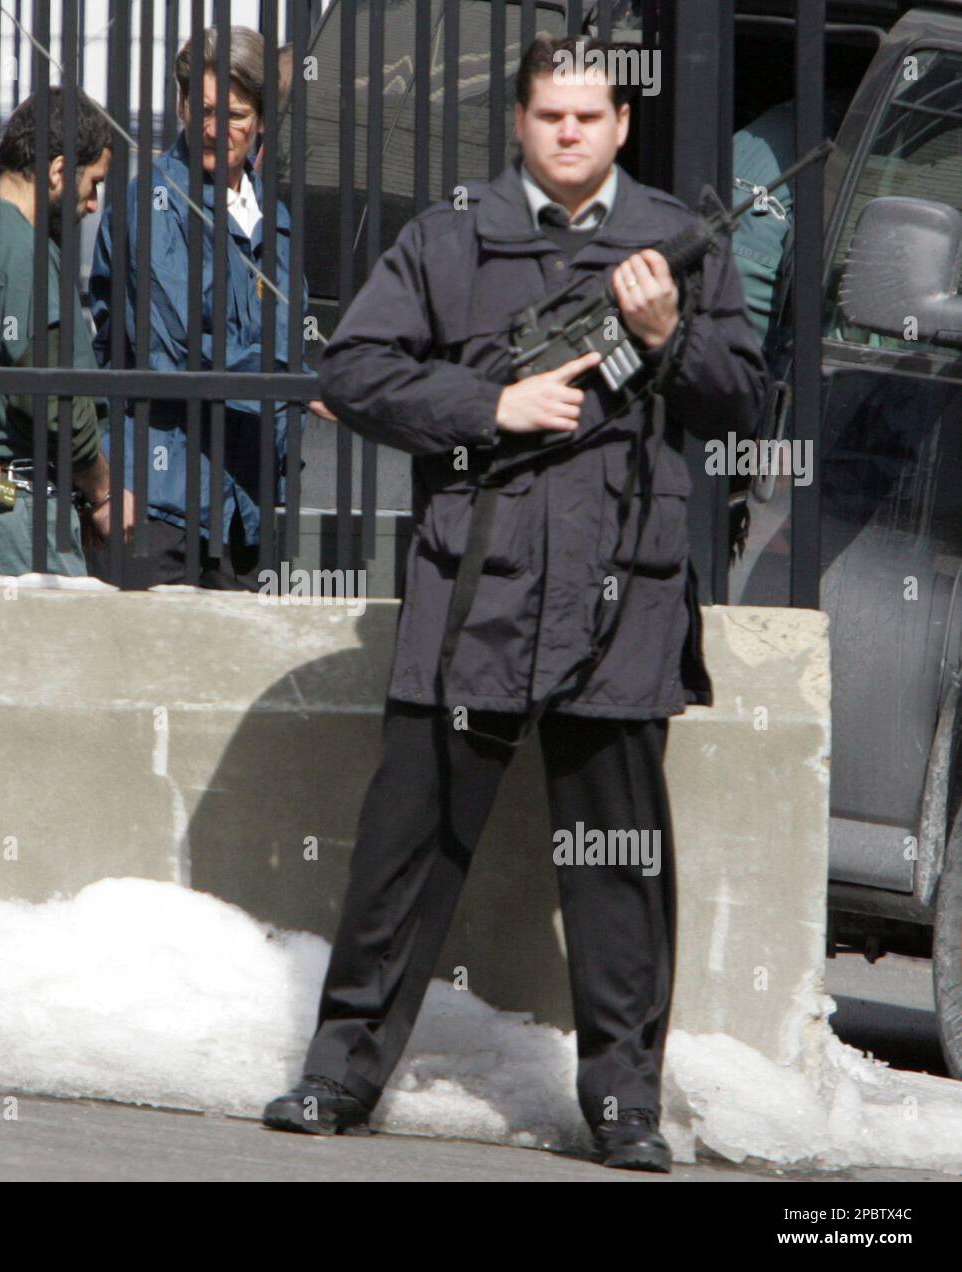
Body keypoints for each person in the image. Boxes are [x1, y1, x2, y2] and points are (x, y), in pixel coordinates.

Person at [262, 35, 768, 1172]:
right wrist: (492, 403)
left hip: (619, 594)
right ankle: (339, 1077)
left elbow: (740, 398)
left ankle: (623, 1109)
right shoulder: (451, 237)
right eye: (550, 117)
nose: (570, 135)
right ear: (520, 122)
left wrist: (661, 336)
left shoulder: (675, 249)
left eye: (590, 118)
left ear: (621, 125)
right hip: (473, 589)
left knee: (616, 866)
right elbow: (350, 371)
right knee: (409, 844)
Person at [87, 26, 319, 590]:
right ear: (182, 105)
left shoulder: (278, 222)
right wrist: (300, 382)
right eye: (205, 110)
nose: (217, 130)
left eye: (236, 114)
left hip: (250, 509)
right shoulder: (154, 204)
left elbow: (291, 341)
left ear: (263, 119)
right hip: (159, 507)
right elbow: (176, 351)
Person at [0, 87, 131, 579]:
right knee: (45, 655)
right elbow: (51, 403)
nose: (94, 204)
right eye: (93, 183)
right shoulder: (23, 249)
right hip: (12, 516)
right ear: (58, 172)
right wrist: (104, 491)